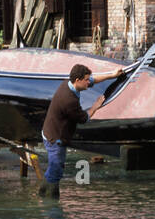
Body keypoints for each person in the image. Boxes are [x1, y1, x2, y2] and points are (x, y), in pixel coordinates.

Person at [39, 63, 123, 198]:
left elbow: (93, 79)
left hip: (49, 130)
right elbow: (84, 118)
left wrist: (112, 75)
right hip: (55, 139)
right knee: (56, 171)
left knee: (54, 169)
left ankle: (42, 195)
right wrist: (96, 106)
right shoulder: (69, 101)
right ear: (78, 80)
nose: (88, 82)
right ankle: (51, 203)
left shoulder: (69, 82)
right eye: (86, 80)